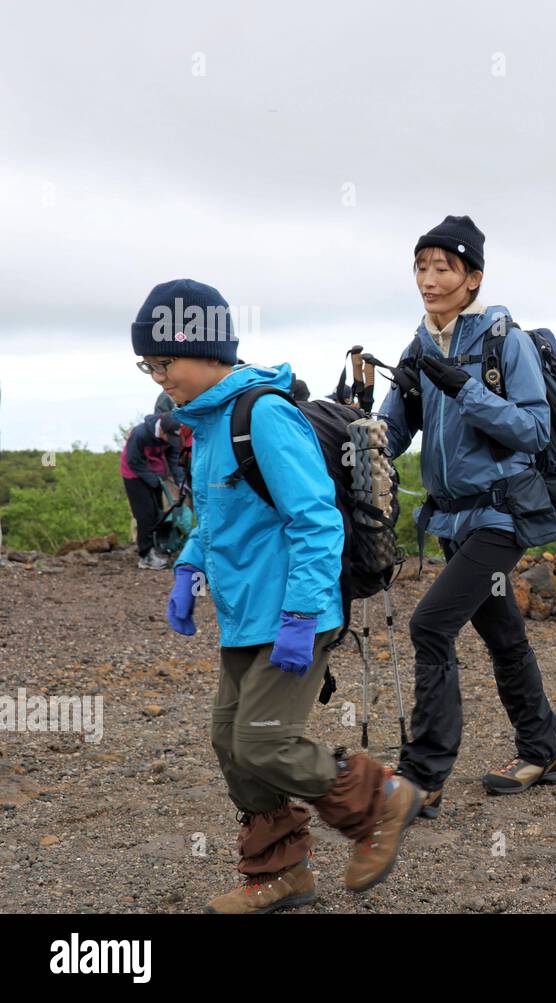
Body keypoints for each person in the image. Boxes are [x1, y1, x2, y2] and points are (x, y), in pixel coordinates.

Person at [134, 278, 415, 913]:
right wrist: (188, 568)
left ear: (206, 350)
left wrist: (300, 613)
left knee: (263, 741)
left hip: (294, 613)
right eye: (147, 364)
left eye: (163, 361)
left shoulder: (262, 415)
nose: (157, 378)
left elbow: (316, 520)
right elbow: (216, 520)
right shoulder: (205, 428)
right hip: (244, 617)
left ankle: (382, 799)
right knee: (230, 740)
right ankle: (280, 871)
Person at [379, 215, 556, 818]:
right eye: (421, 266)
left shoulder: (502, 341)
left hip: (502, 514)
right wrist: (349, 422)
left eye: (443, 267)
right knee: (502, 632)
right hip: (452, 519)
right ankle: (543, 751)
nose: (428, 279)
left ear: (473, 278)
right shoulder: (419, 344)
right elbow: (392, 435)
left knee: (430, 626)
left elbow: (533, 430)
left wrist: (463, 388)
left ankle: (423, 776)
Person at [120, 411, 186, 570]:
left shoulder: (171, 437)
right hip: (133, 474)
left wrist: (181, 482)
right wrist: (153, 480)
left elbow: (174, 460)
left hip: (156, 472)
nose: (170, 441)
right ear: (162, 430)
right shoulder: (140, 434)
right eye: (168, 437)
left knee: (158, 513)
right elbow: (133, 461)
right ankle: (145, 556)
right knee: (145, 514)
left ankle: (157, 547)